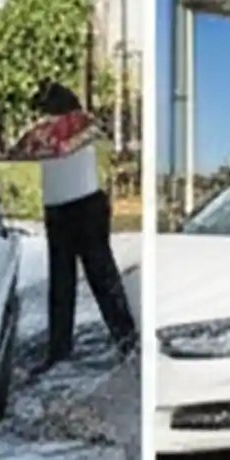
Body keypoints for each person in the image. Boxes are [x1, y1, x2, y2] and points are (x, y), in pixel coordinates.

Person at [20, 80, 137, 373]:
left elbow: (63, 145)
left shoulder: (79, 126)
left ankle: (126, 339)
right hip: (60, 207)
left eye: (45, 112)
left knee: (99, 273)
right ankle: (64, 347)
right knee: (65, 280)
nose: (41, 119)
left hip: (84, 205)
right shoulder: (48, 133)